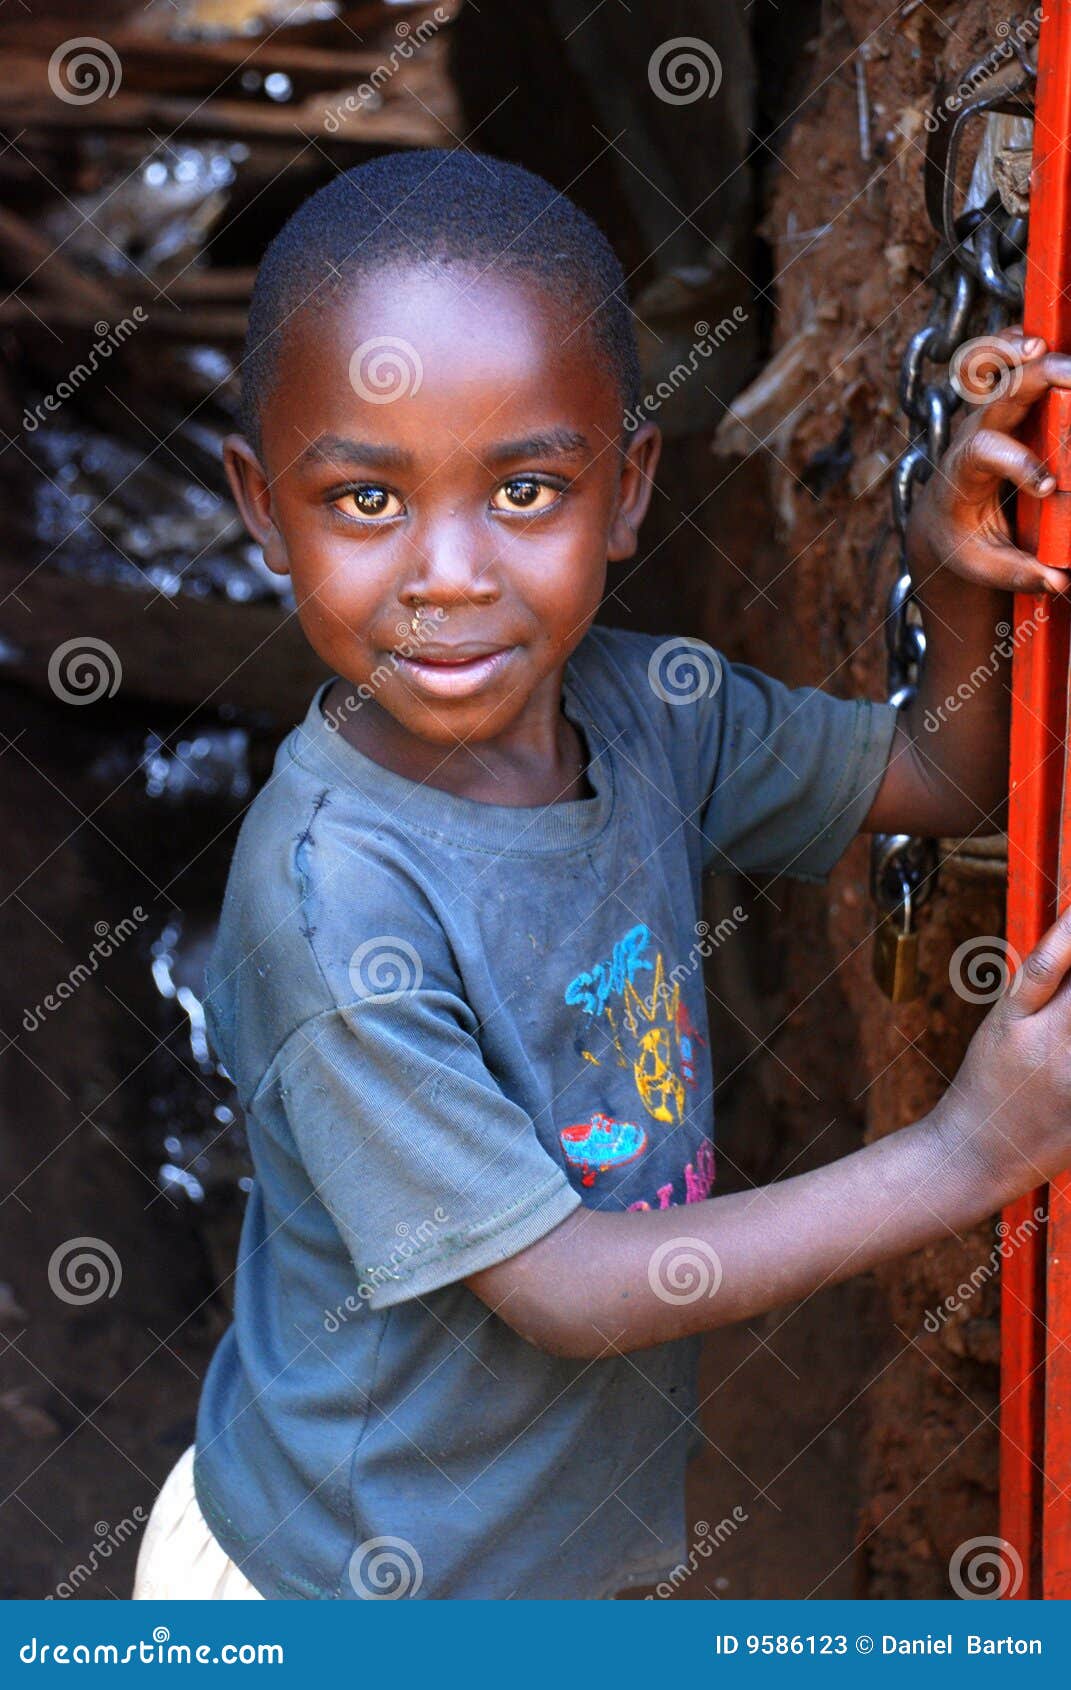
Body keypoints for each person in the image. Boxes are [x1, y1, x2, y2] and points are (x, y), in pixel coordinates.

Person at [133, 147, 1071, 1601]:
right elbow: (565, 1288)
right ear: (263, 508)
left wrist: (948, 569)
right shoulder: (331, 900)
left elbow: (939, 779)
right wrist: (966, 1156)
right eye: (366, 501)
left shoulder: (653, 710)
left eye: (525, 488)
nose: (451, 574)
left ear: (627, 489)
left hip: (548, 1570)